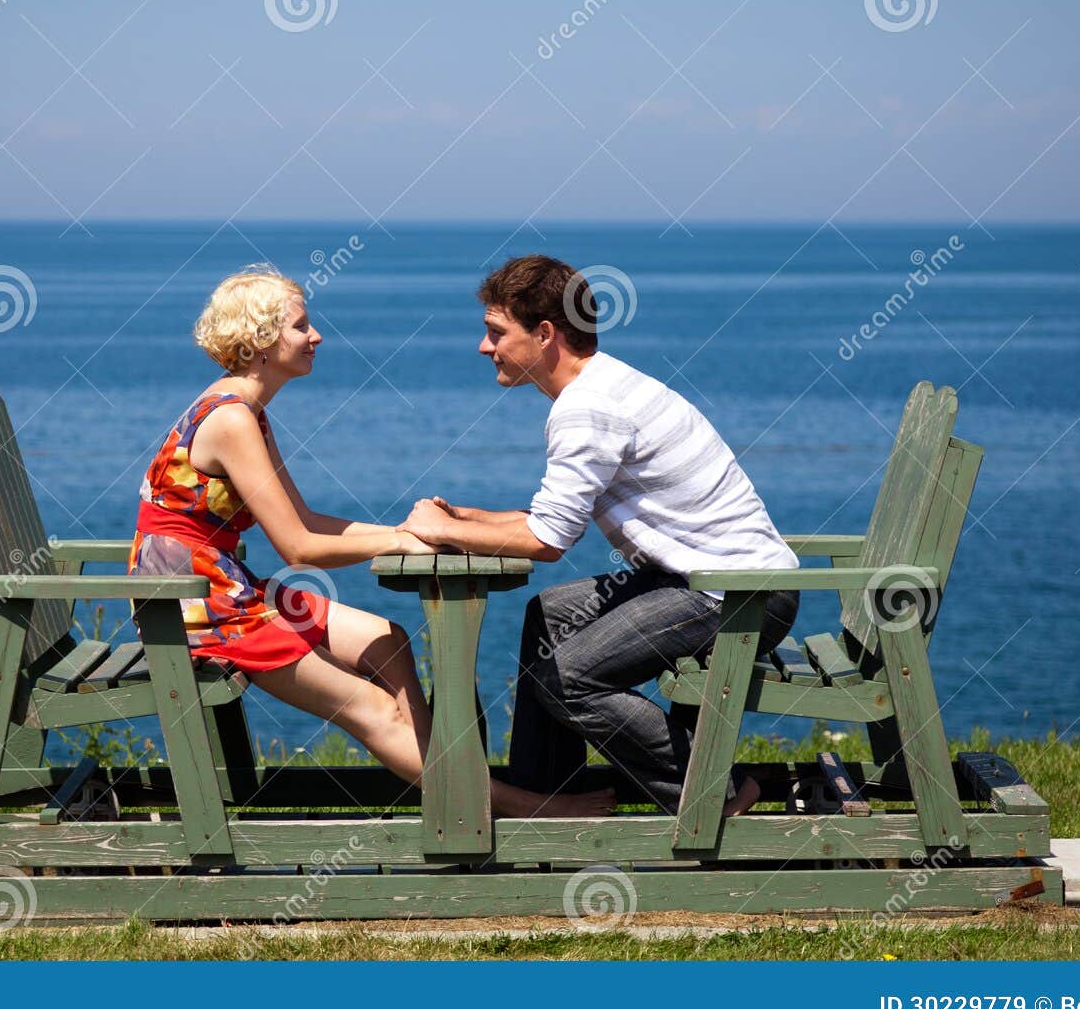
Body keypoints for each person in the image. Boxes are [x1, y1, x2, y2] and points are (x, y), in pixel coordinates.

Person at [128, 263, 615, 819]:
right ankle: (512, 806)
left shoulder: (245, 413)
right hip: (194, 608)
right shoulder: (232, 420)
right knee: (374, 711)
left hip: (219, 588)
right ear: (260, 341)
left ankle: (446, 781)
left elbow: (305, 518)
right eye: (299, 327)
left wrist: (403, 533)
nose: (315, 336)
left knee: (390, 641)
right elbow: (299, 548)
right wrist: (404, 544)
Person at [401, 254, 800, 817]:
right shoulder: (600, 386)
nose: (483, 347)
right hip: (700, 581)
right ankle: (551, 800)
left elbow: (548, 541)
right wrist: (466, 520)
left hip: (736, 594)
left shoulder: (588, 409)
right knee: (551, 613)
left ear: (544, 335)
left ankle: (719, 791)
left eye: (495, 333)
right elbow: (551, 517)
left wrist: (441, 530)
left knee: (567, 678)